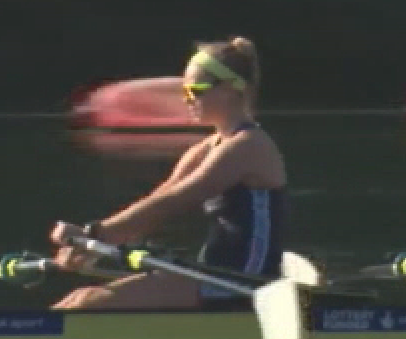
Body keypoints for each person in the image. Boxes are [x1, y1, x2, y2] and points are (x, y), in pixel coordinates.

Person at [49, 37, 287, 309]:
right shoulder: (207, 147)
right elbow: (159, 198)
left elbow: (174, 202)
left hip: (244, 284)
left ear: (232, 90)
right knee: (79, 298)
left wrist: (95, 234)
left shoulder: (249, 146)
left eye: (195, 91)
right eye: (183, 92)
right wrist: (92, 244)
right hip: (215, 276)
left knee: (89, 304)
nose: (187, 100)